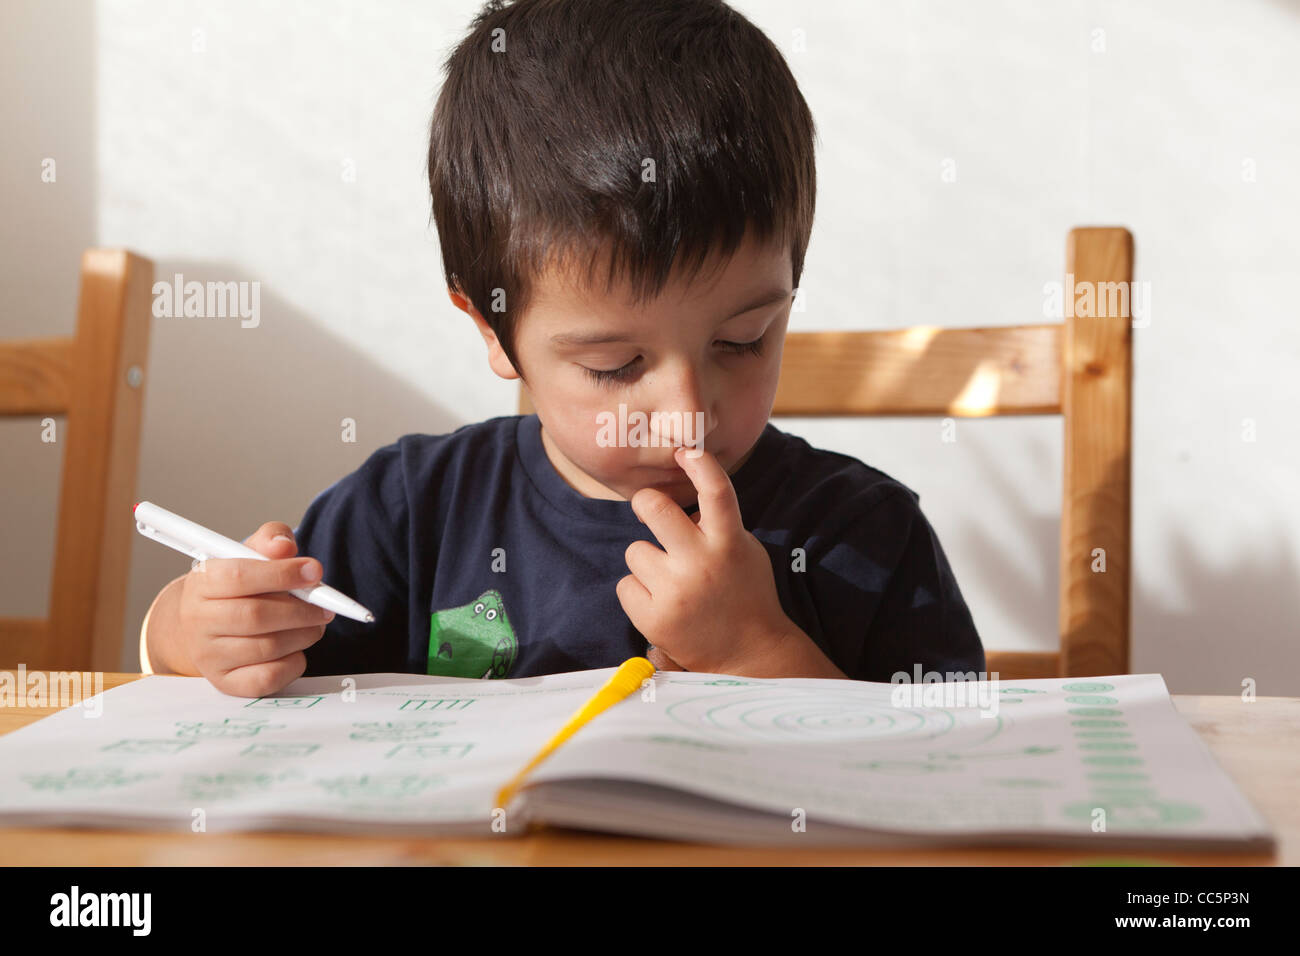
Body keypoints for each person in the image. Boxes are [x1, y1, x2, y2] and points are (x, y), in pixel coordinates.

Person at [140, 0, 984, 697]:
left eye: (743, 340)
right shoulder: (408, 514)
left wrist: (759, 655)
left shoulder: (866, 538)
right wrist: (189, 637)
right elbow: (252, 698)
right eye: (615, 366)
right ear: (491, 330)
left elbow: (952, 794)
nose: (687, 416)